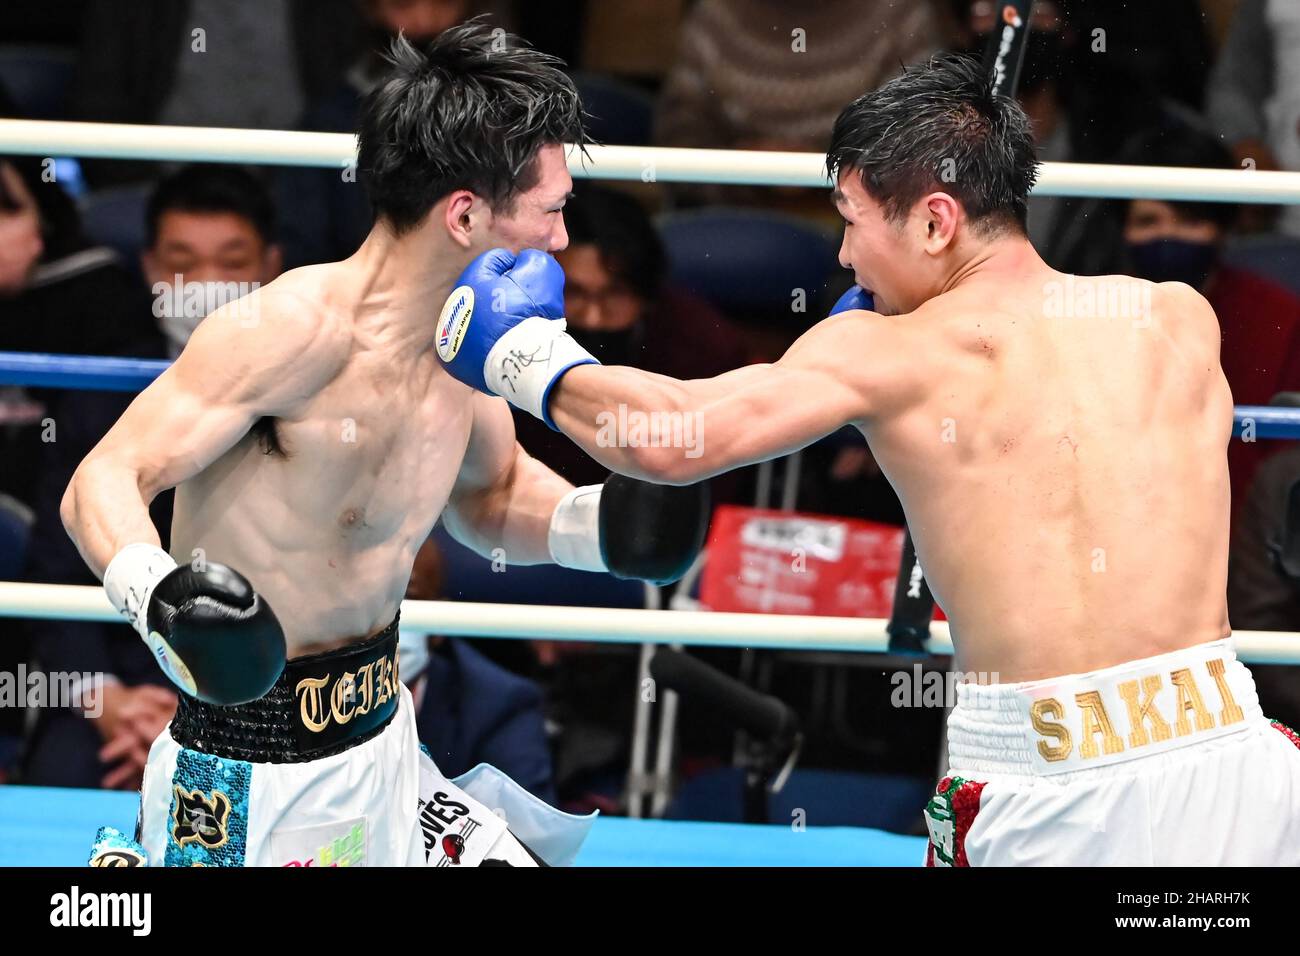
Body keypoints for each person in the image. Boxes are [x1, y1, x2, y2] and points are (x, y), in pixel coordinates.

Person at [437, 54, 1300, 866]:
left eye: (851, 222)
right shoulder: (1178, 318)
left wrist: (520, 352)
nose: (844, 256)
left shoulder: (885, 353)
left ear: (935, 219)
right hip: (1233, 759)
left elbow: (670, 439)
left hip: (1058, 795)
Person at [63, 22, 708, 868]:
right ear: (466, 213)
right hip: (248, 769)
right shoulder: (293, 330)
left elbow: (494, 496)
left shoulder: (468, 343)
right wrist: (162, 598)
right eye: (551, 212)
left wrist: (604, 528)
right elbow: (101, 480)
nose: (560, 240)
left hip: (386, 738)